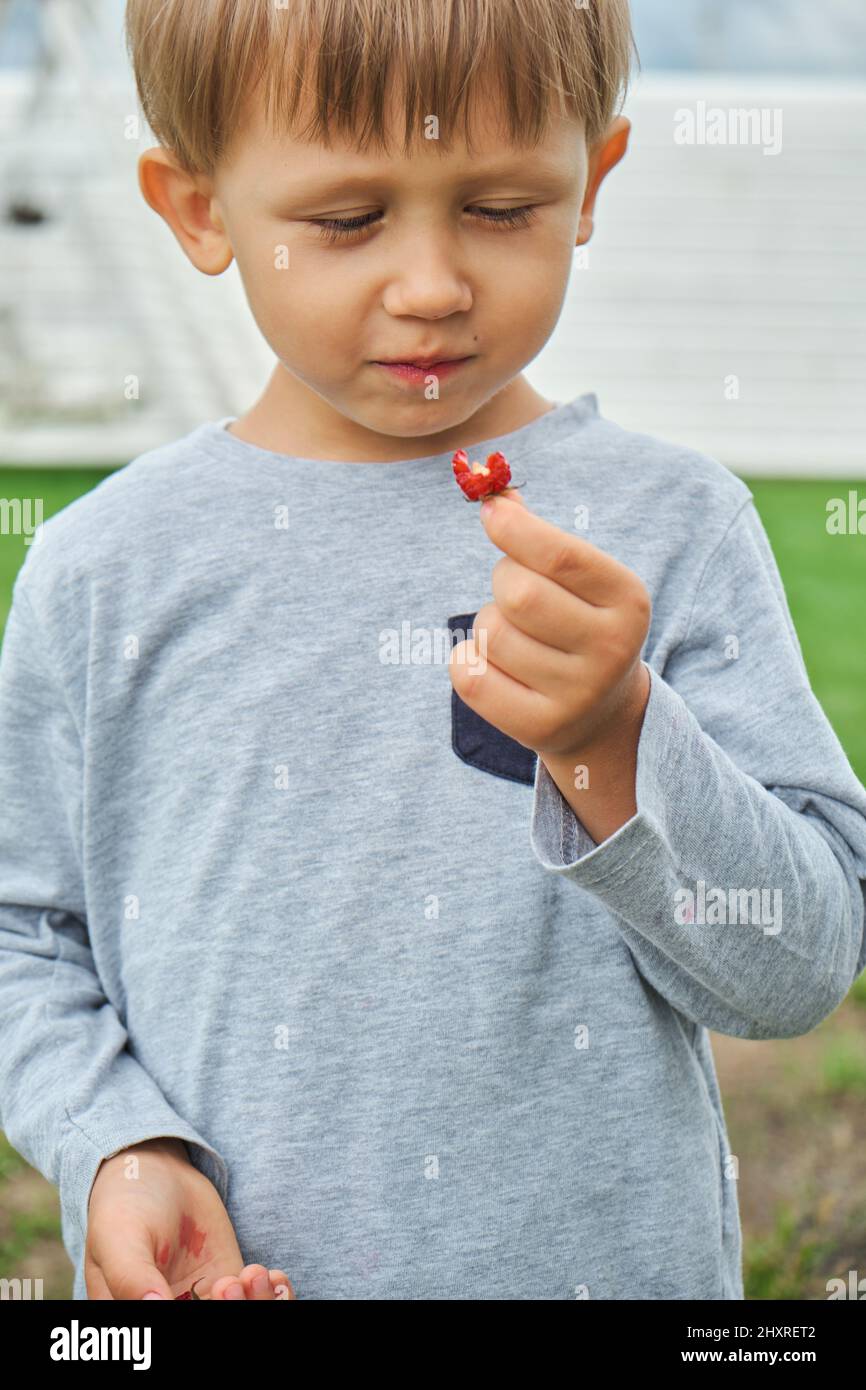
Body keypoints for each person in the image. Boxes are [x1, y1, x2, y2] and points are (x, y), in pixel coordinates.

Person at [1, 0, 865, 1301]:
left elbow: (795, 969)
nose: (430, 285)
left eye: (501, 206)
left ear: (593, 179)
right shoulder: (100, 572)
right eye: (346, 221)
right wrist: (116, 1141)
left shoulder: (666, 529)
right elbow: (23, 931)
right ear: (195, 210)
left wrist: (613, 741)